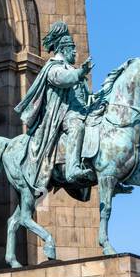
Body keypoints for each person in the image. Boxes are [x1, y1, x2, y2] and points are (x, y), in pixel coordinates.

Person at [15, 20, 93, 188]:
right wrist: (80, 72)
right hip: (63, 116)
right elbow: (62, 79)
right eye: (72, 49)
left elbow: (85, 96)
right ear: (63, 49)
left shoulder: (73, 70)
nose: (75, 52)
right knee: (76, 127)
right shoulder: (53, 68)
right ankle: (72, 169)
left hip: (81, 112)